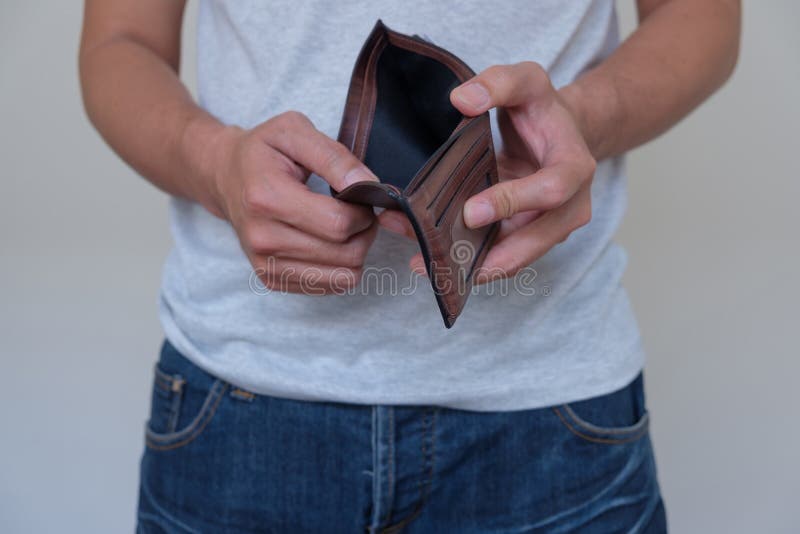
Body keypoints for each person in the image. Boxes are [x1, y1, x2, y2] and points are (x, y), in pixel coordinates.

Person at [79, 1, 740, 532]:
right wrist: (212, 163)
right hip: (241, 403)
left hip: (550, 405)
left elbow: (702, 16)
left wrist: (584, 120)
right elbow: (121, 41)